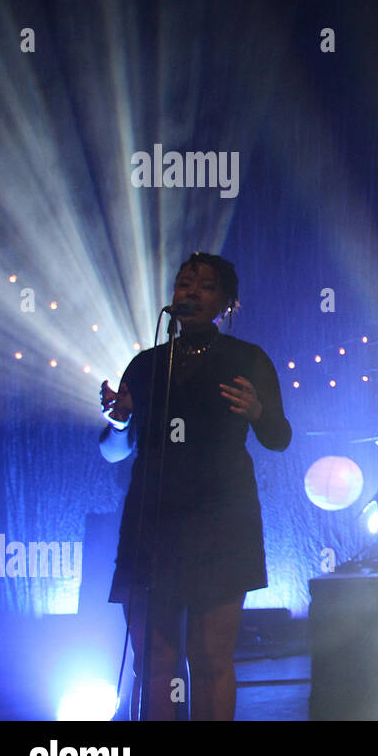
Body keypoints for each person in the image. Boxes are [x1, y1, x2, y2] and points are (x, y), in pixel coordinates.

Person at [98, 253, 291, 720]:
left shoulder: (246, 359)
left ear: (227, 302)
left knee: (208, 660)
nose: (191, 293)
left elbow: (279, 438)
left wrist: (258, 412)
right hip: (153, 517)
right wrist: (118, 419)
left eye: (205, 287)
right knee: (155, 661)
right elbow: (112, 450)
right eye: (185, 284)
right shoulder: (146, 365)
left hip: (220, 520)